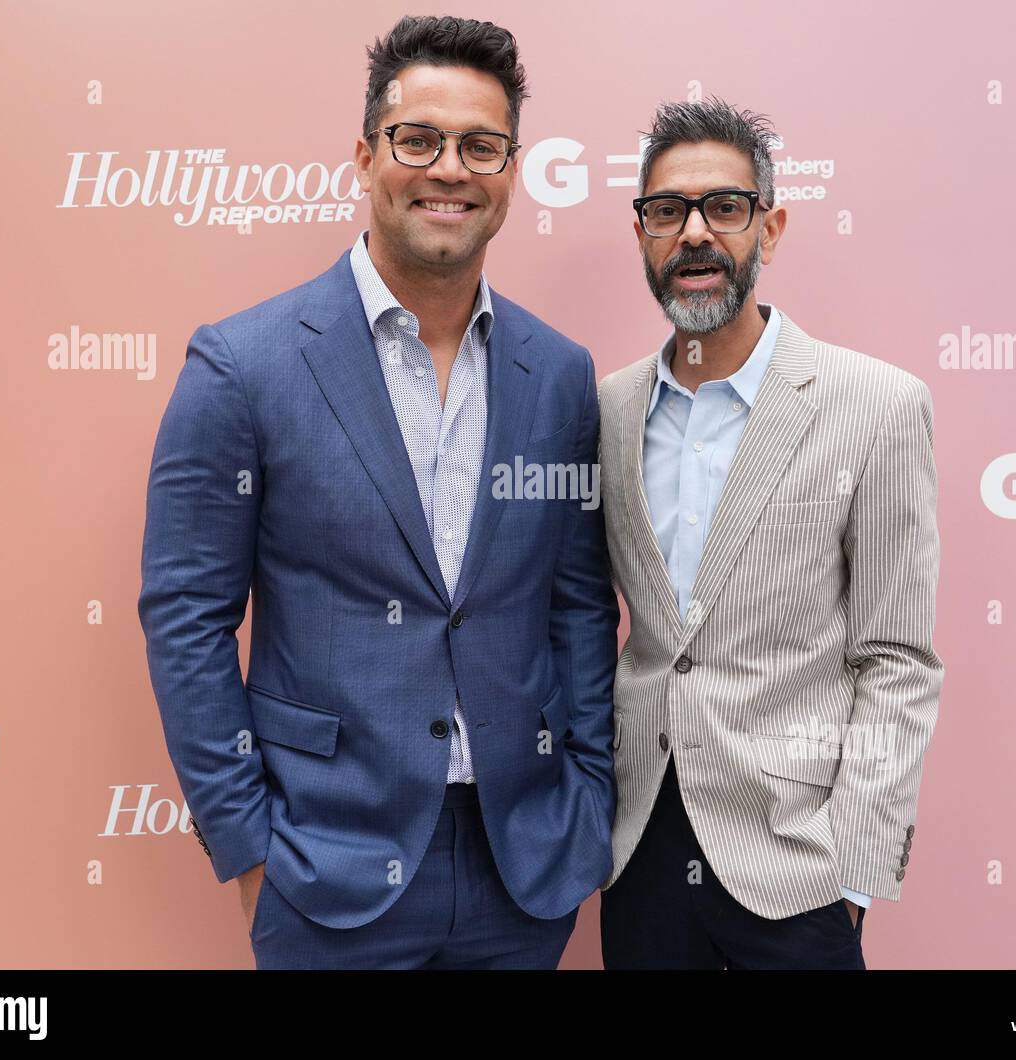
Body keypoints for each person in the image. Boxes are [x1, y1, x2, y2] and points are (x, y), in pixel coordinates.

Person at [137, 15, 618, 969]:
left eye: (481, 146)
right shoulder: (242, 366)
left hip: (520, 870)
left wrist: (588, 795)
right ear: (366, 157)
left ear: (512, 172)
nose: (450, 168)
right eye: (419, 140)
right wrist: (249, 849)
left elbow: (575, 606)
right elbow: (186, 617)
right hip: (325, 870)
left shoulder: (558, 375)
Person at [596, 97, 944, 969]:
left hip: (799, 866)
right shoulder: (603, 409)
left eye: (726, 206)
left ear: (771, 227)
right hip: (638, 851)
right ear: (642, 233)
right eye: (667, 211)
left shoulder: (877, 405)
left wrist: (854, 873)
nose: (694, 234)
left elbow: (897, 659)